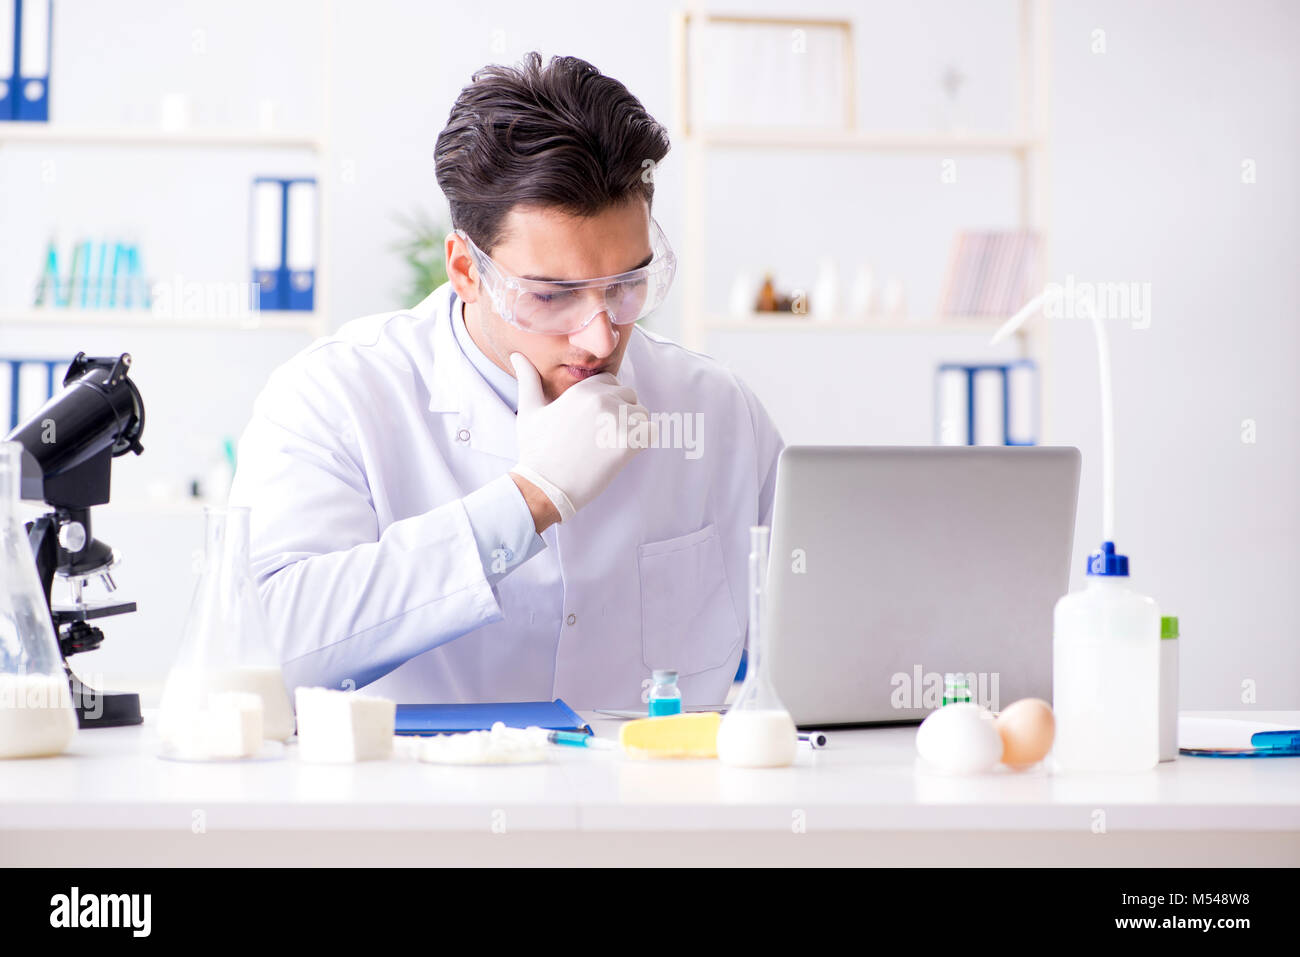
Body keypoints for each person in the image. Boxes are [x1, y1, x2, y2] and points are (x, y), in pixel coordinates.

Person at [229, 53, 782, 709]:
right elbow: (271, 648)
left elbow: (826, 635)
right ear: (466, 269)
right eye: (553, 296)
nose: (601, 337)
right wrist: (529, 500)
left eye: (627, 285)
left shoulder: (717, 413)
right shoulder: (336, 396)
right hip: (419, 808)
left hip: (658, 808)